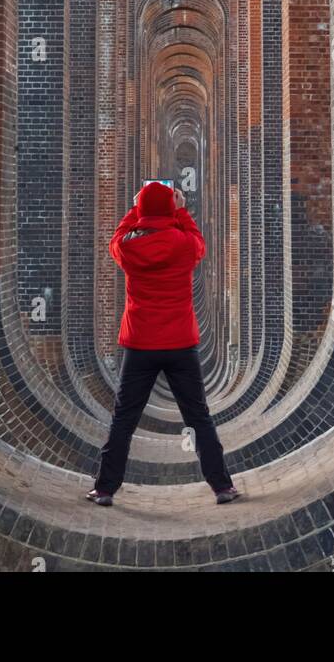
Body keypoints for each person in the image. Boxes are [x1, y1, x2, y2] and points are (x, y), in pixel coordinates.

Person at [87, 179, 240, 507]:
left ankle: (105, 489)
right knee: (198, 417)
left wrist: (135, 209)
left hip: (140, 344)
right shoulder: (183, 244)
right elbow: (199, 244)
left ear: (142, 209)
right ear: (171, 206)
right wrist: (181, 212)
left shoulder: (129, 247)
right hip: (180, 344)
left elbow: (115, 239)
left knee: (124, 418)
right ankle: (222, 486)